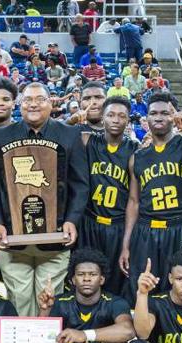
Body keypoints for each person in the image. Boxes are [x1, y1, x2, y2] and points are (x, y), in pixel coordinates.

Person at [0, 82, 89, 316]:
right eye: (28, 100)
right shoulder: (0, 137)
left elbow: (80, 184)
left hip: (56, 235)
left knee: (49, 299)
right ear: (20, 105)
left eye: (39, 99)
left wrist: (72, 219)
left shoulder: (70, 135)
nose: (33, 104)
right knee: (19, 300)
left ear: (51, 103)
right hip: (13, 236)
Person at [122, 92, 182, 301]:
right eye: (153, 113)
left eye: (165, 113)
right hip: (147, 231)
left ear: (173, 117)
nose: (159, 117)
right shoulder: (138, 157)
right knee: (147, 294)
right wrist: (126, 243)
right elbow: (134, 202)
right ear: (146, 119)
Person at [76, 96, 136, 296]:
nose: (116, 120)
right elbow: (58, 133)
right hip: (90, 222)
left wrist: (127, 242)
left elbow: (134, 201)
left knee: (115, 281)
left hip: (117, 225)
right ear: (102, 117)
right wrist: (74, 118)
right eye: (110, 115)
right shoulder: (87, 140)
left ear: (128, 120)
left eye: (121, 116)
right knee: (86, 277)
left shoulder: (135, 150)